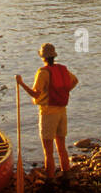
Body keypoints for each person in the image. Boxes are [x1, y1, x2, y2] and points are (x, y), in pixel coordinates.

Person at [17, 43, 78, 180]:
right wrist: (63, 92)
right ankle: (66, 174)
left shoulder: (43, 72)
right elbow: (74, 81)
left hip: (48, 114)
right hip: (62, 111)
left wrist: (21, 83)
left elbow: (35, 95)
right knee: (61, 147)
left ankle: (50, 179)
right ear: (54, 56)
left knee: (48, 151)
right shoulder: (62, 70)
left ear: (43, 57)